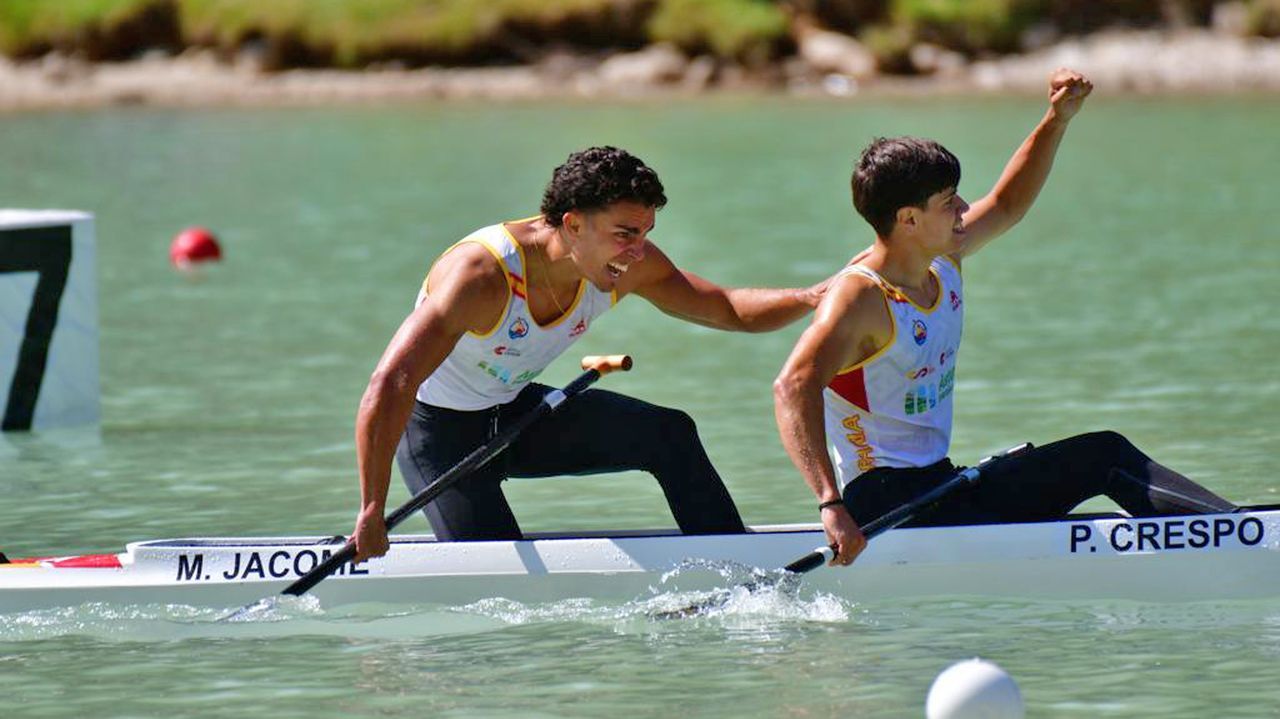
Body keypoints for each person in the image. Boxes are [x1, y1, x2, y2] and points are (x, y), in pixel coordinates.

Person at [773, 69, 1237, 568]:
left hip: (942, 486)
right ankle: (1245, 539)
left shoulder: (941, 258)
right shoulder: (861, 298)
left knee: (1092, 462)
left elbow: (1009, 203)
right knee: (1103, 456)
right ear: (908, 219)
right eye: (949, 202)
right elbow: (792, 387)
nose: (964, 209)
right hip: (892, 507)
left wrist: (1057, 120)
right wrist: (832, 505)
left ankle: (1226, 536)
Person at [352, 146, 827, 560]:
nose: (639, 252)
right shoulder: (481, 277)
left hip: (517, 415)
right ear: (573, 223)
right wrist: (372, 507)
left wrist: (811, 298)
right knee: (503, 591)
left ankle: (739, 571)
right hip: (441, 436)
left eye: (645, 232)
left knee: (669, 433)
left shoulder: (625, 265)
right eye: (625, 234)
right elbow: (393, 382)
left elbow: (726, 309)